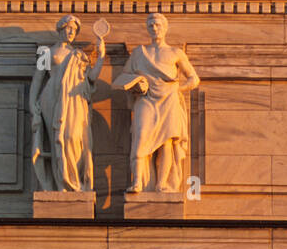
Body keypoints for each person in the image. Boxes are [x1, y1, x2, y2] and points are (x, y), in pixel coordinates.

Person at [114, 12, 199, 193]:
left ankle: (161, 183)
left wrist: (178, 89)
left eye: (158, 25)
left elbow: (193, 79)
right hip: (146, 100)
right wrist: (137, 81)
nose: (154, 28)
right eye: (151, 25)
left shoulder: (176, 53)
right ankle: (137, 181)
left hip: (169, 100)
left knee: (166, 143)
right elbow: (123, 76)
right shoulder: (139, 53)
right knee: (141, 137)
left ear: (165, 28)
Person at [30, 15, 105, 192]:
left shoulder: (78, 55)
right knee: (58, 141)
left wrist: (101, 56)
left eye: (74, 29)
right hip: (51, 99)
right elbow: (37, 80)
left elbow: (92, 78)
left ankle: (75, 184)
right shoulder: (46, 53)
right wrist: (33, 106)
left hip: (74, 99)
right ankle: (61, 185)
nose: (71, 32)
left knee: (73, 137)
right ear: (60, 29)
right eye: (68, 28)